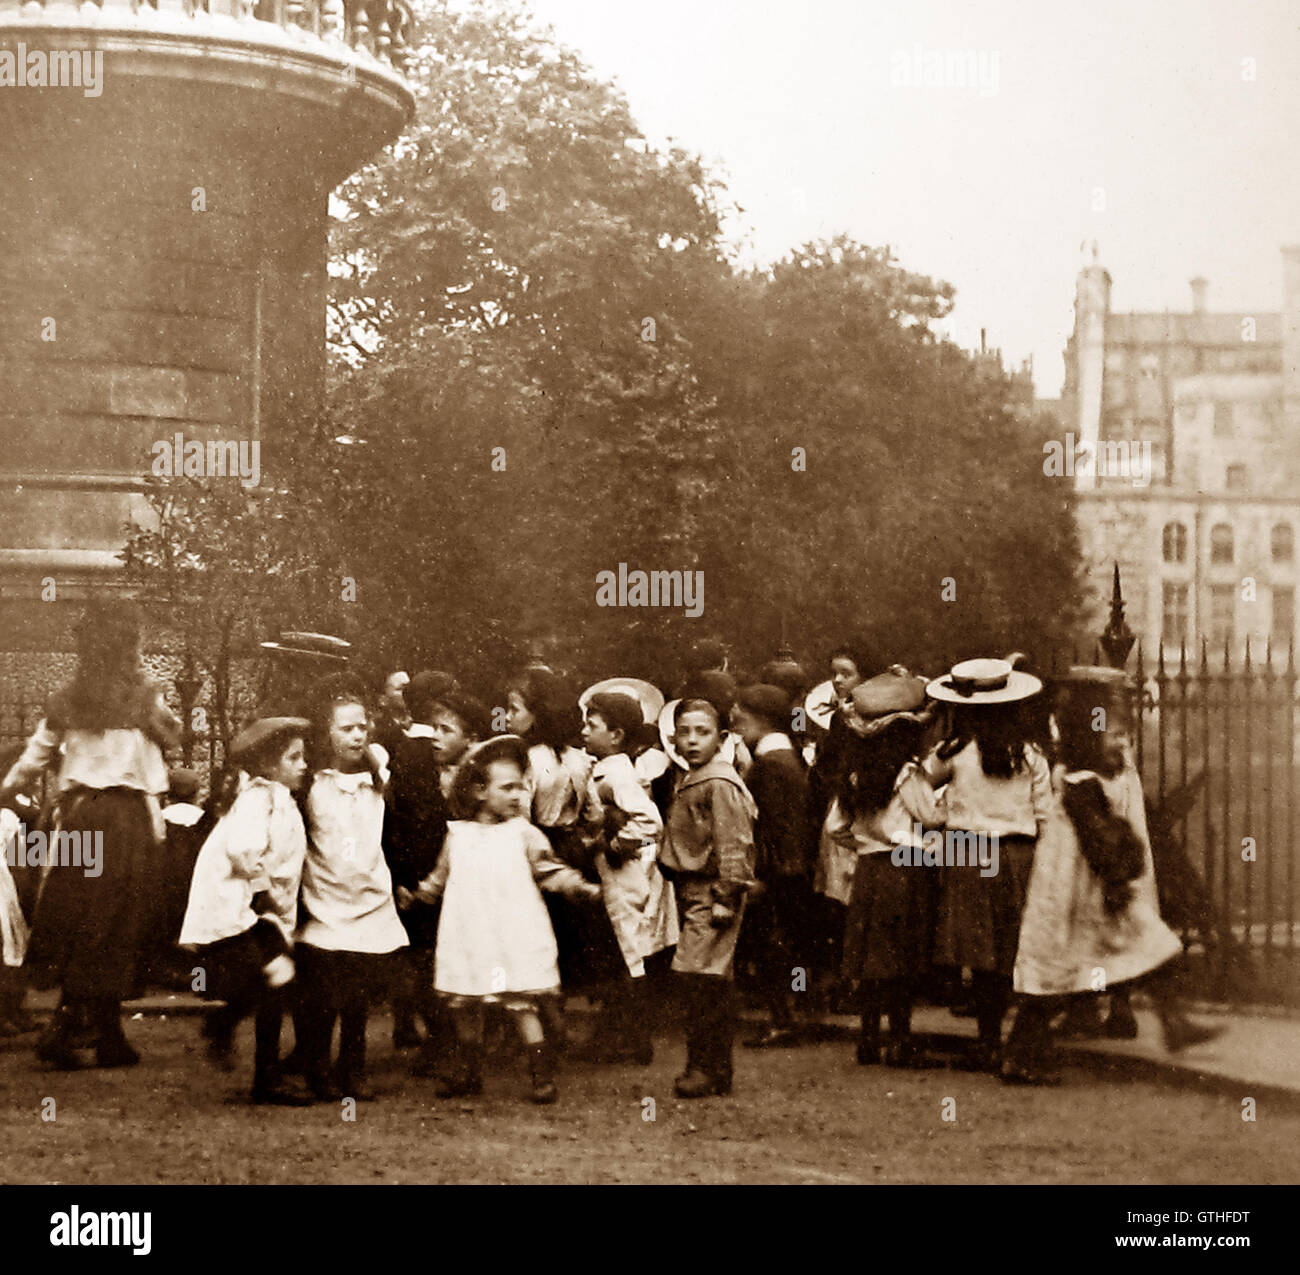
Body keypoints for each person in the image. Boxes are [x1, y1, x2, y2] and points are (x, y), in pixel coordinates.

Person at [1002, 667, 1223, 1085]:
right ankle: (1020, 1055)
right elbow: (1097, 841)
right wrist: (1118, 879)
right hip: (1080, 890)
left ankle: (1175, 1023)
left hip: (1084, 887)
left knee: (1149, 946)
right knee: (1059, 971)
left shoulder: (1084, 774)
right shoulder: (1081, 781)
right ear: (1091, 732)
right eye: (1113, 733)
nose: (1121, 740)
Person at [0, 604, 181, 1068]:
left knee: (82, 923)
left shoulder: (67, 700)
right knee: (118, 925)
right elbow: (172, 744)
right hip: (126, 823)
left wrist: (8, 788)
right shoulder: (147, 698)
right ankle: (69, 1031)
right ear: (128, 646)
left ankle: (105, 1033)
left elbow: (34, 757)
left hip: (81, 818)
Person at [412, 736, 602, 1104]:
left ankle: (541, 1073)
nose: (518, 796)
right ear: (480, 791)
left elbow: (549, 871)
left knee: (520, 1001)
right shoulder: (458, 835)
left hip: (512, 933)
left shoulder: (524, 833)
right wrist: (420, 895)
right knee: (465, 1002)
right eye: (508, 787)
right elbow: (439, 877)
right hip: (468, 933)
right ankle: (469, 1071)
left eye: (522, 787)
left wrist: (577, 886)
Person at [923, 658, 1052, 1073]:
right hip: (1017, 856)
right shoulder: (1029, 755)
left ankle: (988, 1040)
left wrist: (942, 818)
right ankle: (1016, 1042)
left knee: (979, 955)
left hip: (967, 854)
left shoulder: (952, 754)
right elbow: (1045, 815)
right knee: (1011, 951)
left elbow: (915, 787)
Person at [178, 717, 314, 1105]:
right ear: (269, 766)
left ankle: (225, 1029)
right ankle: (263, 1074)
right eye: (294, 758)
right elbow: (242, 850)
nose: (303, 765)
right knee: (276, 978)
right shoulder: (258, 798)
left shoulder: (282, 799)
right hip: (235, 901)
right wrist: (263, 896)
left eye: (303, 756)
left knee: (275, 978)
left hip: (256, 906)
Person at [296, 691, 409, 1101]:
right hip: (325, 895)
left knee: (358, 995)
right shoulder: (312, 785)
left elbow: (391, 834)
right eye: (346, 728)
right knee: (325, 992)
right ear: (327, 734)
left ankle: (353, 1068)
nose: (357, 735)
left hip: (368, 897)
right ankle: (318, 1069)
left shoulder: (378, 782)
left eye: (362, 726)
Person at [837, 672, 942, 1068]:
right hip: (903, 869)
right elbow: (930, 818)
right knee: (900, 960)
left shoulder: (855, 778)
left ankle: (867, 1038)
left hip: (869, 869)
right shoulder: (908, 776)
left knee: (869, 961)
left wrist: (865, 845)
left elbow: (836, 828)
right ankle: (899, 1038)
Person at [658, 697, 757, 1098]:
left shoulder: (719, 781)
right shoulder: (694, 776)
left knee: (697, 978)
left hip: (714, 891)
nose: (693, 740)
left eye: (703, 732)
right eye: (685, 732)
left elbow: (735, 843)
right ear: (673, 738)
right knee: (708, 978)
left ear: (721, 738)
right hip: (691, 890)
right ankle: (715, 1069)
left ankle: (704, 1067)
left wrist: (726, 895)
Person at [384, 672, 477, 1073]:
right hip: (431, 880)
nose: (439, 735)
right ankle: (444, 1042)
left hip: (436, 877)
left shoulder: (423, 755)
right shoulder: (423, 755)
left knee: (432, 963)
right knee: (432, 963)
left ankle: (449, 1043)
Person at [579, 692, 676, 1064]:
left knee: (630, 956)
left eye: (592, 726)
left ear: (617, 735)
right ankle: (620, 1035)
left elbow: (650, 821)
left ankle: (636, 1041)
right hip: (618, 876)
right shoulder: (607, 768)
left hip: (625, 877)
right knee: (624, 956)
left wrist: (616, 844)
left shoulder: (617, 773)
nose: (584, 732)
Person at [506, 668, 613, 995]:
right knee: (569, 939)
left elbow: (520, 816)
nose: (508, 718)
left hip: (538, 850)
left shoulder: (525, 759)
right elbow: (594, 815)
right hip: (572, 850)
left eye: (514, 709)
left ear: (537, 713)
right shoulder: (579, 758)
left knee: (535, 940)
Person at [728, 683, 814, 1049]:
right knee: (780, 945)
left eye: (741, 717)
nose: (735, 723)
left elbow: (776, 828)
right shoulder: (785, 758)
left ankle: (784, 1020)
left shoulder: (771, 765)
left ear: (761, 719)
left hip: (776, 872)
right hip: (788, 869)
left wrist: (762, 875)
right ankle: (787, 1017)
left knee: (772, 946)